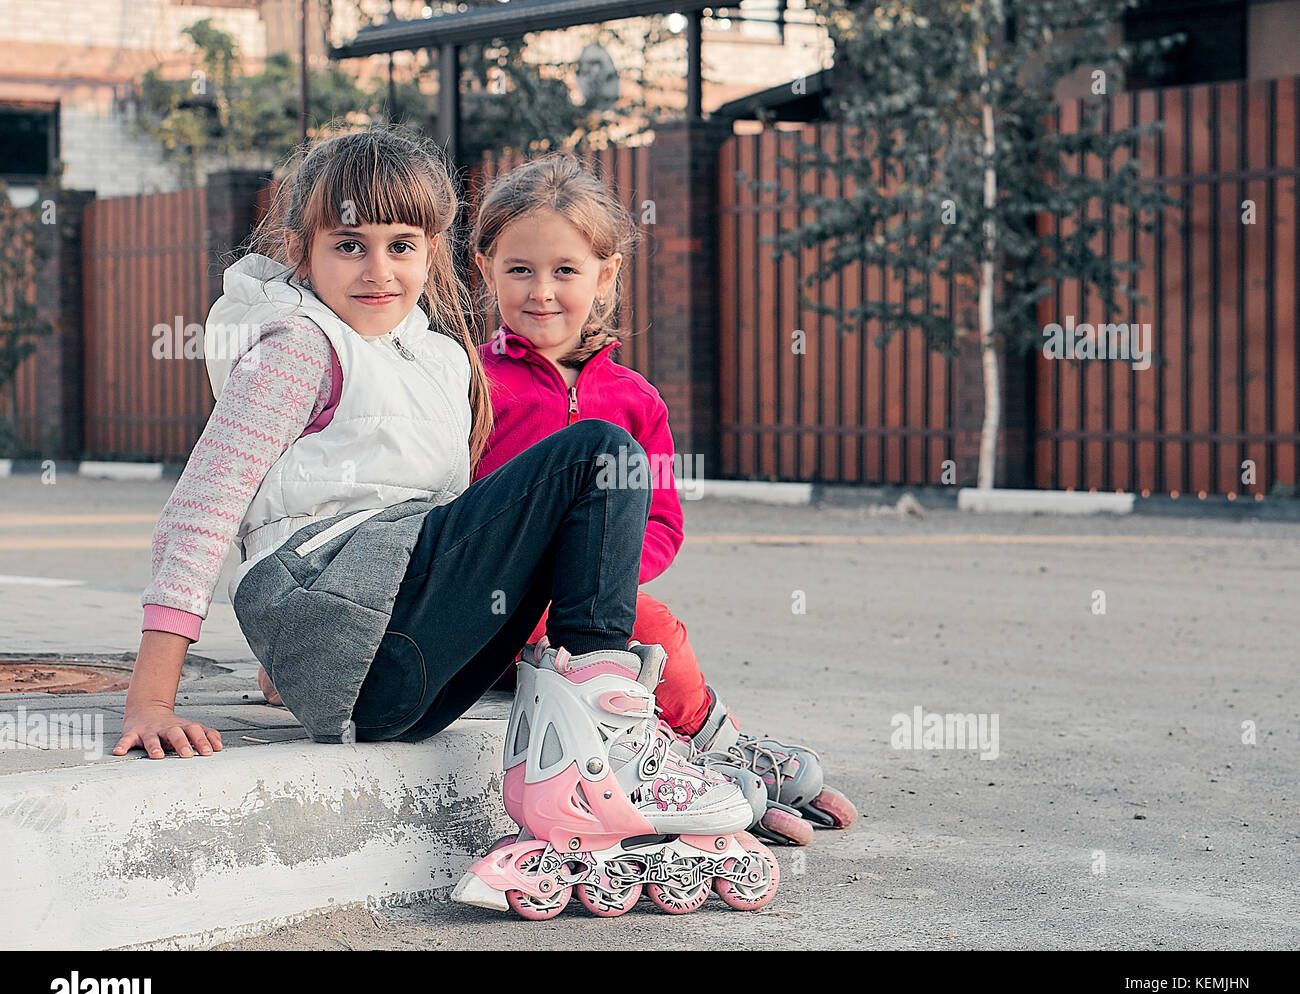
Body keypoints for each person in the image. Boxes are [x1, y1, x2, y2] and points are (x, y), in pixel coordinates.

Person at [113, 129, 768, 918]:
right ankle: (606, 748)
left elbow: (466, 529)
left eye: (402, 245)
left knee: (599, 483)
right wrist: (152, 697)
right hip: (356, 626)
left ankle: (599, 743)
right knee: (597, 452)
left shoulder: (438, 360)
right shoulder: (297, 346)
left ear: (434, 252)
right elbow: (206, 505)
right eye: (349, 244)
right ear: (300, 249)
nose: (378, 270)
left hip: (413, 667)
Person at [468, 153, 858, 844]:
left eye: (565, 270)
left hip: (590, 616)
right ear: (486, 267)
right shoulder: (470, 383)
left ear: (607, 273)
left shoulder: (636, 399)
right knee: (629, 637)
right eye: (519, 269)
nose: (542, 291)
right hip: (489, 615)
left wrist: (593, 575)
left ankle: (724, 749)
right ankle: (695, 768)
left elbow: (662, 523)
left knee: (654, 625)